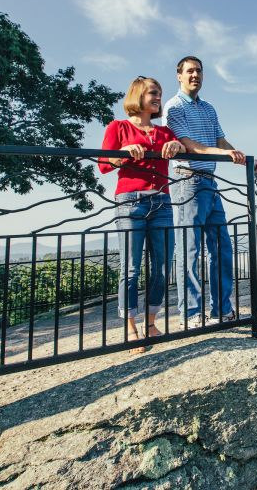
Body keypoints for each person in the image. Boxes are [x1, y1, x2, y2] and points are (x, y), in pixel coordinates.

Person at [164, 56, 257, 328]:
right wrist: (224, 153)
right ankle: (192, 313)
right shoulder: (173, 107)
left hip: (210, 182)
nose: (195, 75)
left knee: (222, 248)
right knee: (190, 250)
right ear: (179, 75)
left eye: (199, 71)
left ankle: (222, 310)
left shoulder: (208, 108)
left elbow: (219, 140)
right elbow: (188, 145)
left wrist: (241, 156)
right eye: (190, 71)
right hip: (187, 181)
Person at [99, 76, 183, 353]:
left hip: (162, 201)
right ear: (138, 96)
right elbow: (104, 164)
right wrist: (121, 153)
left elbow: (179, 148)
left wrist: (177, 147)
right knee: (131, 268)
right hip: (130, 202)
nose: (158, 97)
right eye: (153, 93)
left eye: (159, 93)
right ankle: (130, 328)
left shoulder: (164, 132)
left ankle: (150, 322)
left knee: (161, 266)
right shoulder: (119, 127)